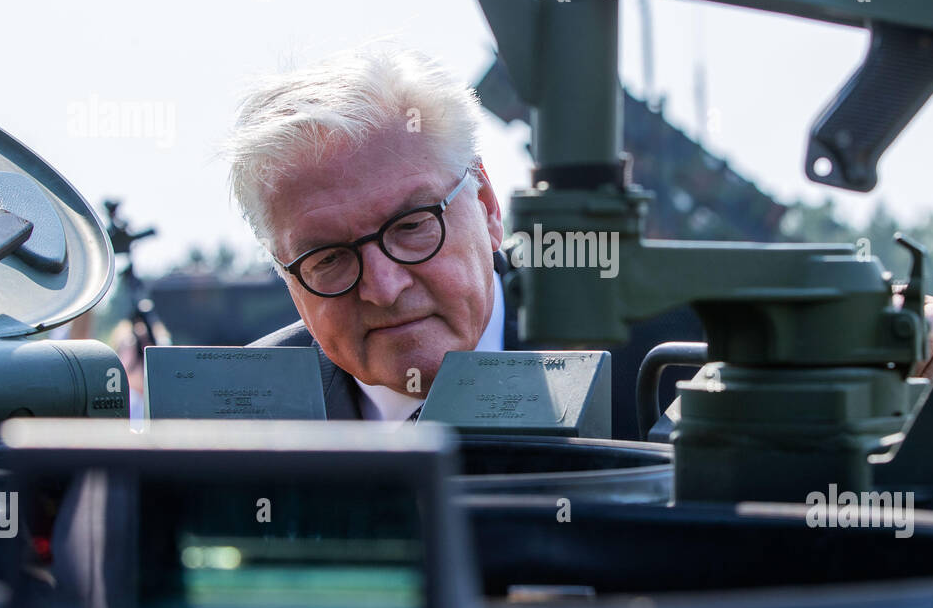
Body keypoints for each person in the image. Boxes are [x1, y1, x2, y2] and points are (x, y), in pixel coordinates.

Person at [224, 45, 700, 432]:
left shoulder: (677, 360)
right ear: (286, 274)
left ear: (488, 206)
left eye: (412, 226)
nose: (384, 288)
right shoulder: (229, 420)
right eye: (328, 259)